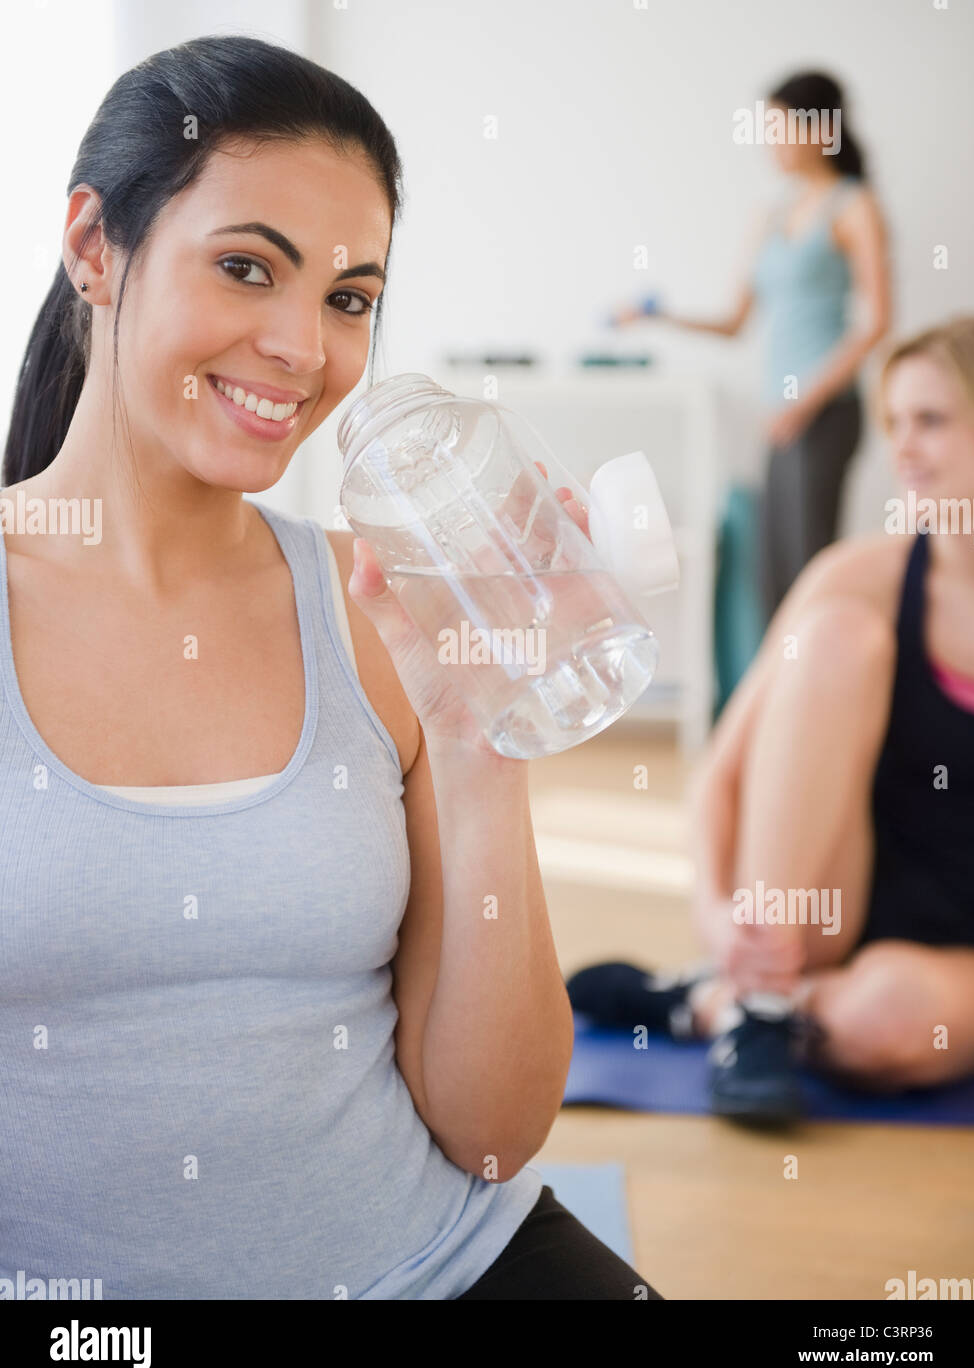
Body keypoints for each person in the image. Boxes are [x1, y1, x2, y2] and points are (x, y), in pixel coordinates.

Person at [0, 34, 661, 1300]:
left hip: (439, 1267)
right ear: (95, 246)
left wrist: (483, 746)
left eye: (349, 297)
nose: (304, 348)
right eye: (247, 268)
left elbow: (490, 1133)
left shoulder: (383, 607)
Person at [567, 316, 974, 1124]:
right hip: (840, 910)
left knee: (882, 1028)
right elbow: (721, 772)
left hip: (955, 963)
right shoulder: (860, 578)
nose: (901, 448)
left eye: (929, 420)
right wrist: (724, 917)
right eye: (891, 423)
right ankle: (759, 1002)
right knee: (832, 637)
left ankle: (702, 1004)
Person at [612, 70, 891, 621]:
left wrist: (804, 402)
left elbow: (877, 322)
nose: (772, 141)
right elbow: (736, 322)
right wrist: (661, 317)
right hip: (780, 416)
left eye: (781, 126)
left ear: (818, 130)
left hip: (825, 412)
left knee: (812, 570)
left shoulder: (854, 207)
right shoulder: (772, 214)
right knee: (774, 576)